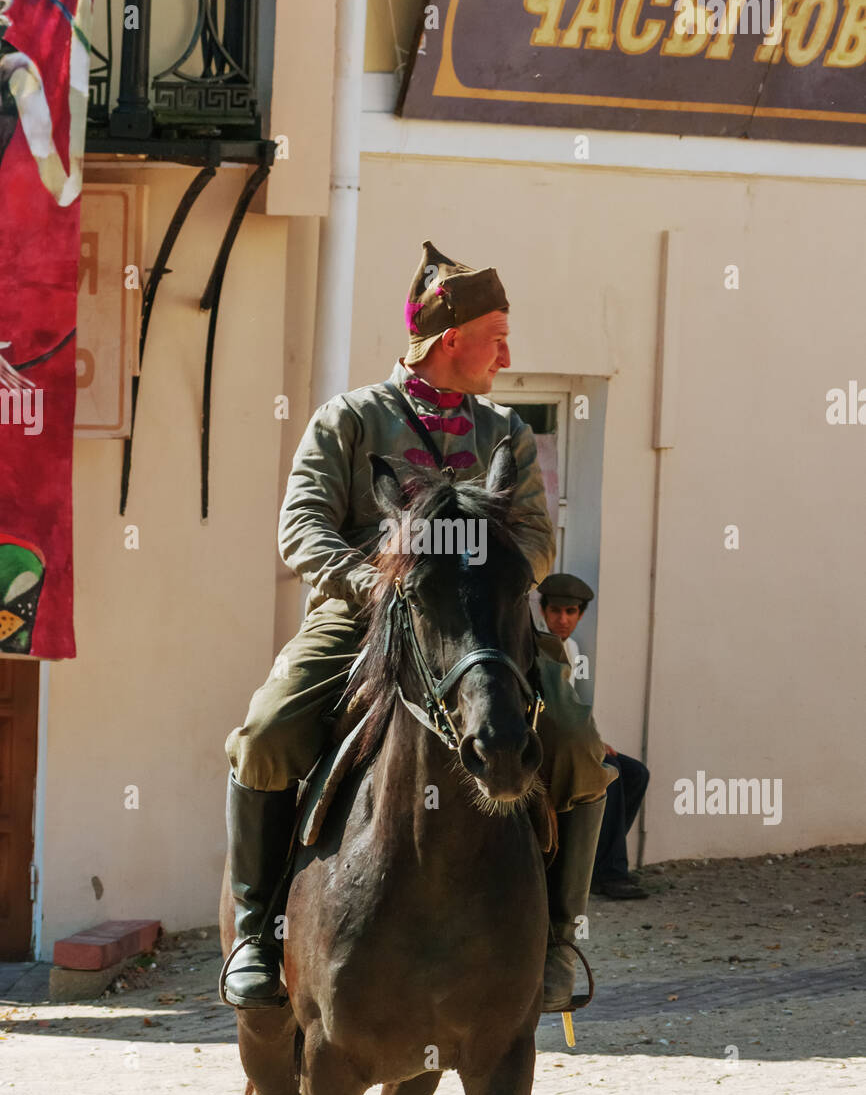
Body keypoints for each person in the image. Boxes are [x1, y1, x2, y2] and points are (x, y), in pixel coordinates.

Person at [220, 239, 616, 1013]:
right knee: (266, 731)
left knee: (573, 735)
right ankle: (255, 932)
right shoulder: (350, 419)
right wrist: (380, 582)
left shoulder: (505, 432)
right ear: (448, 341)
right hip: (361, 620)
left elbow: (535, 539)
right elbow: (303, 528)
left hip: (480, 627)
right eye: (496, 334)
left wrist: (480, 575)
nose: (507, 350)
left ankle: (561, 936)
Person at [538, 573, 650, 900]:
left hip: (571, 740)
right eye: (556, 611)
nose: (563, 619)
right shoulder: (536, 644)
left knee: (634, 774)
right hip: (544, 744)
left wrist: (595, 740)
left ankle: (596, 864)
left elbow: (572, 705)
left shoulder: (571, 647)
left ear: (580, 614)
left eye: (571, 612)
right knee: (607, 777)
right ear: (543, 610)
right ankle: (612, 875)